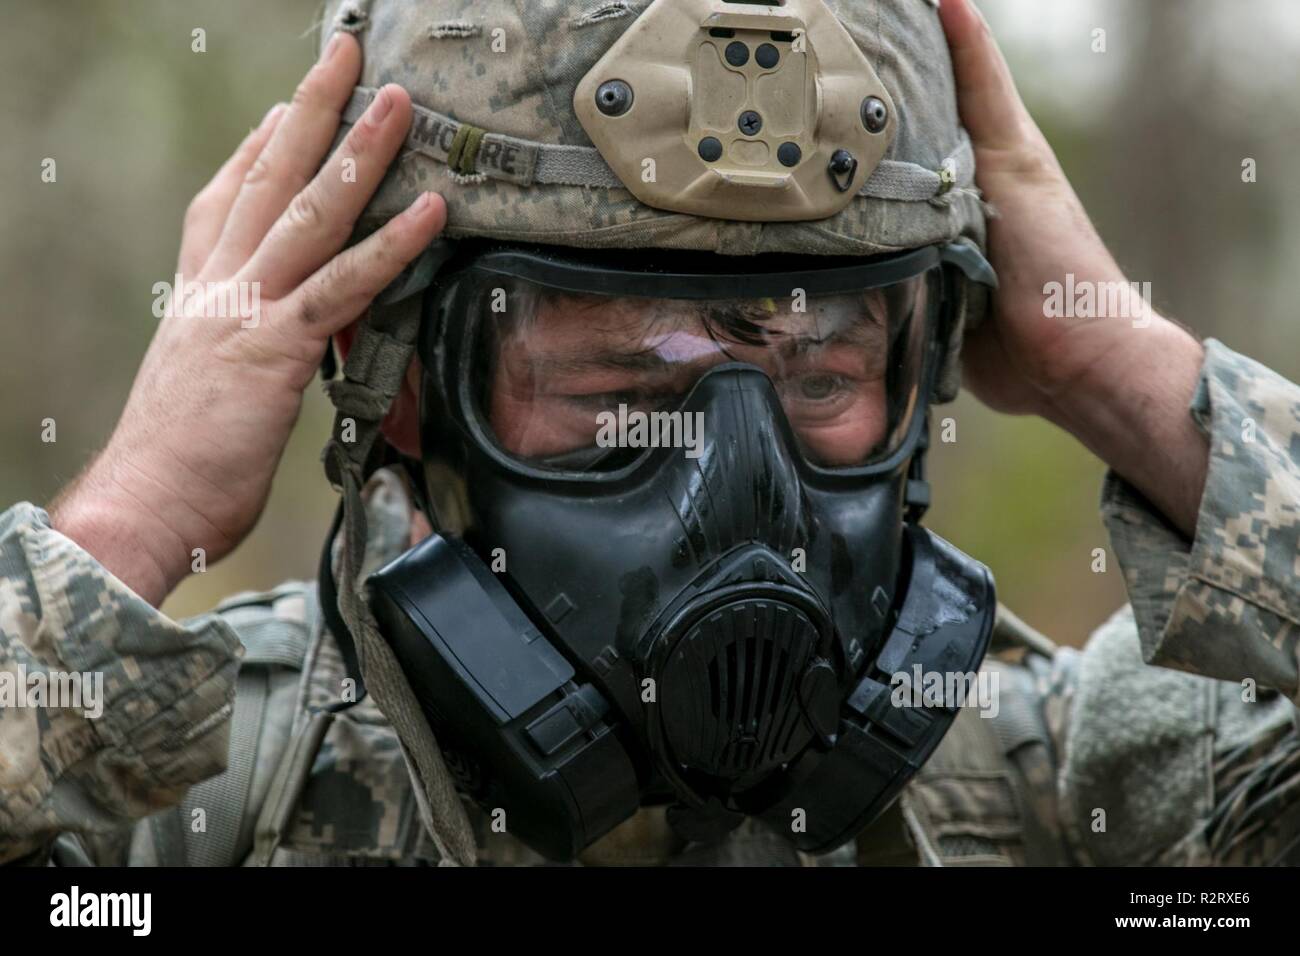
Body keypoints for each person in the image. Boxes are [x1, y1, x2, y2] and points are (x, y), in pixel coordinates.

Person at [2, 0, 1297, 867]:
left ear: (927, 373)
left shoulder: (1058, 780)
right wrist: (140, 515)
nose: (740, 482)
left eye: (820, 373)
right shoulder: (193, 793)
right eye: (622, 374)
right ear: (395, 386)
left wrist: (1121, 373)